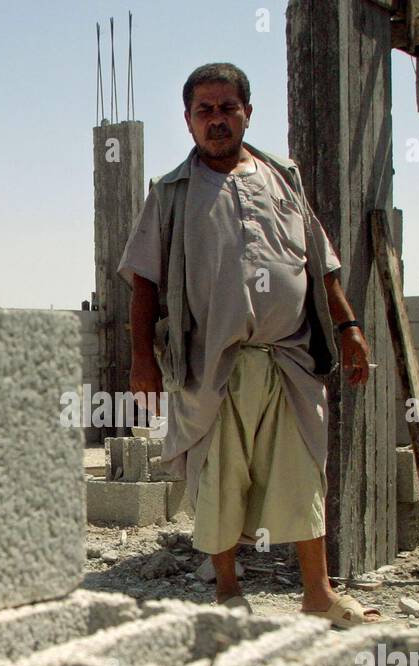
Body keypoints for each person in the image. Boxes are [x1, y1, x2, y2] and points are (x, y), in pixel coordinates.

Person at [118, 62, 378, 627]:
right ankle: (228, 591)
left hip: (290, 358)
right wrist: (141, 361)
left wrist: (350, 327)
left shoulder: (284, 176)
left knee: (304, 472)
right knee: (219, 476)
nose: (216, 120)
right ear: (187, 121)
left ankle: (319, 593)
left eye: (227, 108)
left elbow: (321, 261)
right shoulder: (169, 193)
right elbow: (144, 282)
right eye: (204, 110)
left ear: (247, 114)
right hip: (213, 363)